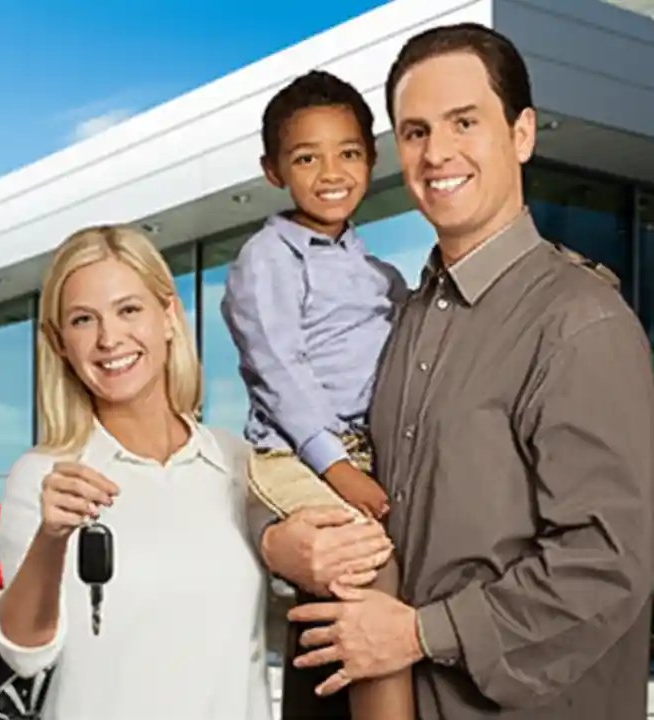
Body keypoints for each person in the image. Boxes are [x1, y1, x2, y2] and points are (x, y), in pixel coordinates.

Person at [266, 22, 654, 719]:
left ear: (523, 134)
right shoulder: (398, 320)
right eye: (415, 132)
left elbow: (607, 561)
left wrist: (420, 632)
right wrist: (281, 540)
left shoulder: (581, 324)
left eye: (463, 122)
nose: (437, 152)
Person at [0, 224, 273, 719]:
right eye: (82, 320)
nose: (108, 339)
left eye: (128, 310)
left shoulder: (237, 464)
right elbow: (24, 651)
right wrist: (52, 538)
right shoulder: (43, 478)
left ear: (168, 317)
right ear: (60, 344)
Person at [222, 69, 412, 720]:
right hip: (299, 458)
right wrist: (335, 465)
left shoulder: (375, 272)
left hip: (360, 455)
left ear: (371, 158)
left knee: (343, 600)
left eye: (349, 153)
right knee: (363, 565)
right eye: (307, 157)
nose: (331, 172)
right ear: (274, 170)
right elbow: (281, 368)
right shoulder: (268, 258)